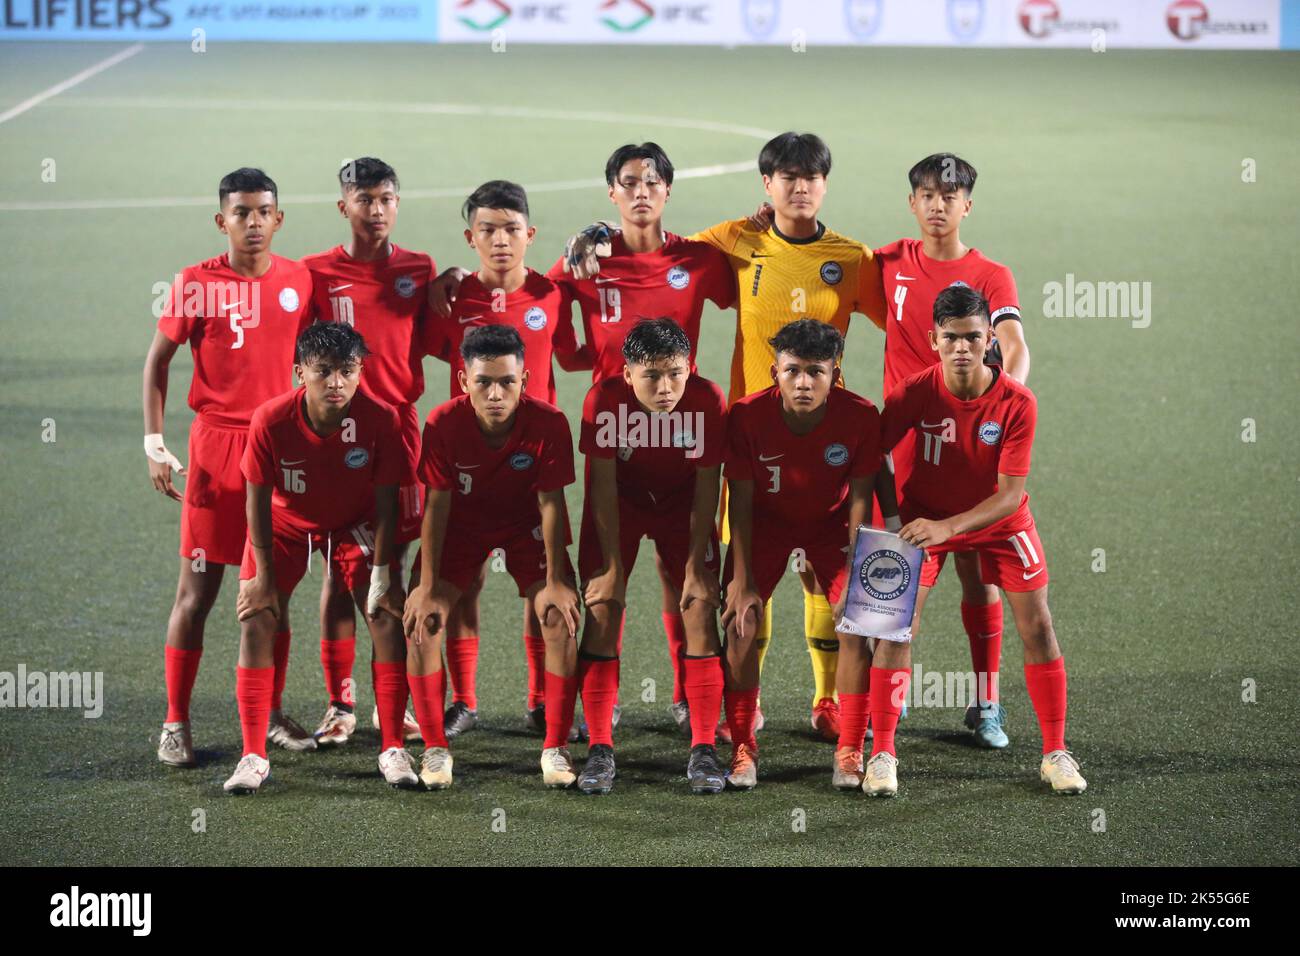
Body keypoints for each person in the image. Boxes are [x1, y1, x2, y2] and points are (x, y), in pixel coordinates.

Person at [564, 132, 889, 744]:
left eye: (810, 176)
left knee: (813, 576)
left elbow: (898, 314)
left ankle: (825, 702)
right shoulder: (722, 243)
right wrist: (587, 231)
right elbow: (643, 245)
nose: (798, 187)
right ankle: (737, 709)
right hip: (725, 431)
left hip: (799, 433)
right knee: (734, 573)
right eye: (785, 176)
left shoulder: (841, 256)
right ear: (766, 184)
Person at [873, 286, 1086, 797]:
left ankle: (1055, 751)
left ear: (991, 338)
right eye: (951, 338)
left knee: (1038, 626)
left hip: (999, 522)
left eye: (973, 337)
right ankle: (882, 752)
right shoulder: (912, 393)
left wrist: (951, 527)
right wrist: (897, 518)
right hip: (924, 521)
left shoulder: (1018, 401)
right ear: (934, 340)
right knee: (896, 628)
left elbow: (1011, 496)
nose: (962, 348)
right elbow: (871, 454)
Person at [144, 167, 314, 767]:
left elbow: (317, 364)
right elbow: (157, 362)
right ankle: (174, 721)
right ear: (223, 221)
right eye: (241, 213)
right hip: (217, 453)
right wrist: (154, 441)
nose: (253, 222)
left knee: (275, 592)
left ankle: (267, 712)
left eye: (263, 211)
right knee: (198, 591)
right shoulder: (195, 283)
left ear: (279, 218)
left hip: (281, 453)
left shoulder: (300, 279)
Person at [873, 153, 1029, 749]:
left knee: (977, 570)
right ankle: (889, 698)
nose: (939, 205)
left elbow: (1014, 347)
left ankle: (986, 700)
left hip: (969, 441)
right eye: (928, 195)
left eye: (951, 194)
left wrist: (995, 409)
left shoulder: (992, 274)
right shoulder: (887, 264)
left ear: (968, 204)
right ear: (912, 203)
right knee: (898, 574)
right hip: (905, 444)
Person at [427, 181, 585, 740]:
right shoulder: (450, 299)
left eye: (511, 229)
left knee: (536, 584)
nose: (500, 240)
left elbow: (576, 355)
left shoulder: (551, 294)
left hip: (533, 465)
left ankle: (542, 699)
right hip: (465, 465)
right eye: (488, 230)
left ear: (530, 234)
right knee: (461, 585)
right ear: (470, 237)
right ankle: (463, 701)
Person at [224, 322, 407, 794]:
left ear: (361, 371)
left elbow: (388, 503)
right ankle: (253, 755)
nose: (336, 383)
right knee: (257, 614)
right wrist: (262, 575)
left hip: (353, 523)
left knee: (385, 614)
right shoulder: (270, 420)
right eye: (322, 371)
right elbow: (257, 500)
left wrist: (384, 574)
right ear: (298, 372)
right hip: (285, 523)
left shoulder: (382, 420)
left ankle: (392, 747)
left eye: (347, 371)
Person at [403, 325, 583, 789]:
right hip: (462, 528)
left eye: (507, 381)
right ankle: (436, 747)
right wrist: (424, 589)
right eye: (484, 381)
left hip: (526, 530)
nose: (496, 392)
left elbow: (550, 504)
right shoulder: (443, 423)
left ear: (525, 378)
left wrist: (559, 579)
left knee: (559, 616)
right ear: (464, 381)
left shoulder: (548, 422)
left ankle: (555, 748)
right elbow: (437, 507)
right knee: (423, 621)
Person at [302, 156, 438, 748]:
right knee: (336, 569)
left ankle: (395, 702)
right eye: (364, 199)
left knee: (395, 565)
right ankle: (341, 703)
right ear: (343, 207)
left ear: (397, 204)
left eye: (386, 199)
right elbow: (300, 360)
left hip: (400, 433)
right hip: (339, 435)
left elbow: (436, 340)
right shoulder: (313, 272)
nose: (376, 210)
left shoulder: (420, 268)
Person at [720, 320, 884, 789]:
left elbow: (859, 499)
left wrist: (855, 568)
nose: (804, 383)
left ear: (836, 373)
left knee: (856, 622)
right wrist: (743, 580)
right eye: (793, 371)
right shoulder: (747, 416)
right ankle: (742, 748)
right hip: (765, 525)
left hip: (830, 526)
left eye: (816, 371)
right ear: (775, 372)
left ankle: (850, 749)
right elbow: (742, 501)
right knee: (740, 621)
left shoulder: (861, 415)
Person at [575, 318, 728, 795]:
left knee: (699, 603)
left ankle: (703, 747)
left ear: (691, 367)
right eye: (651, 376)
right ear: (627, 374)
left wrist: (696, 567)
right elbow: (600, 487)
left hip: (683, 504)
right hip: (621, 502)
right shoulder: (602, 401)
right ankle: (600, 747)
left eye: (675, 373)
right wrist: (614, 570)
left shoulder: (707, 399)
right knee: (603, 606)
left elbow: (708, 486)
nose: (665, 388)